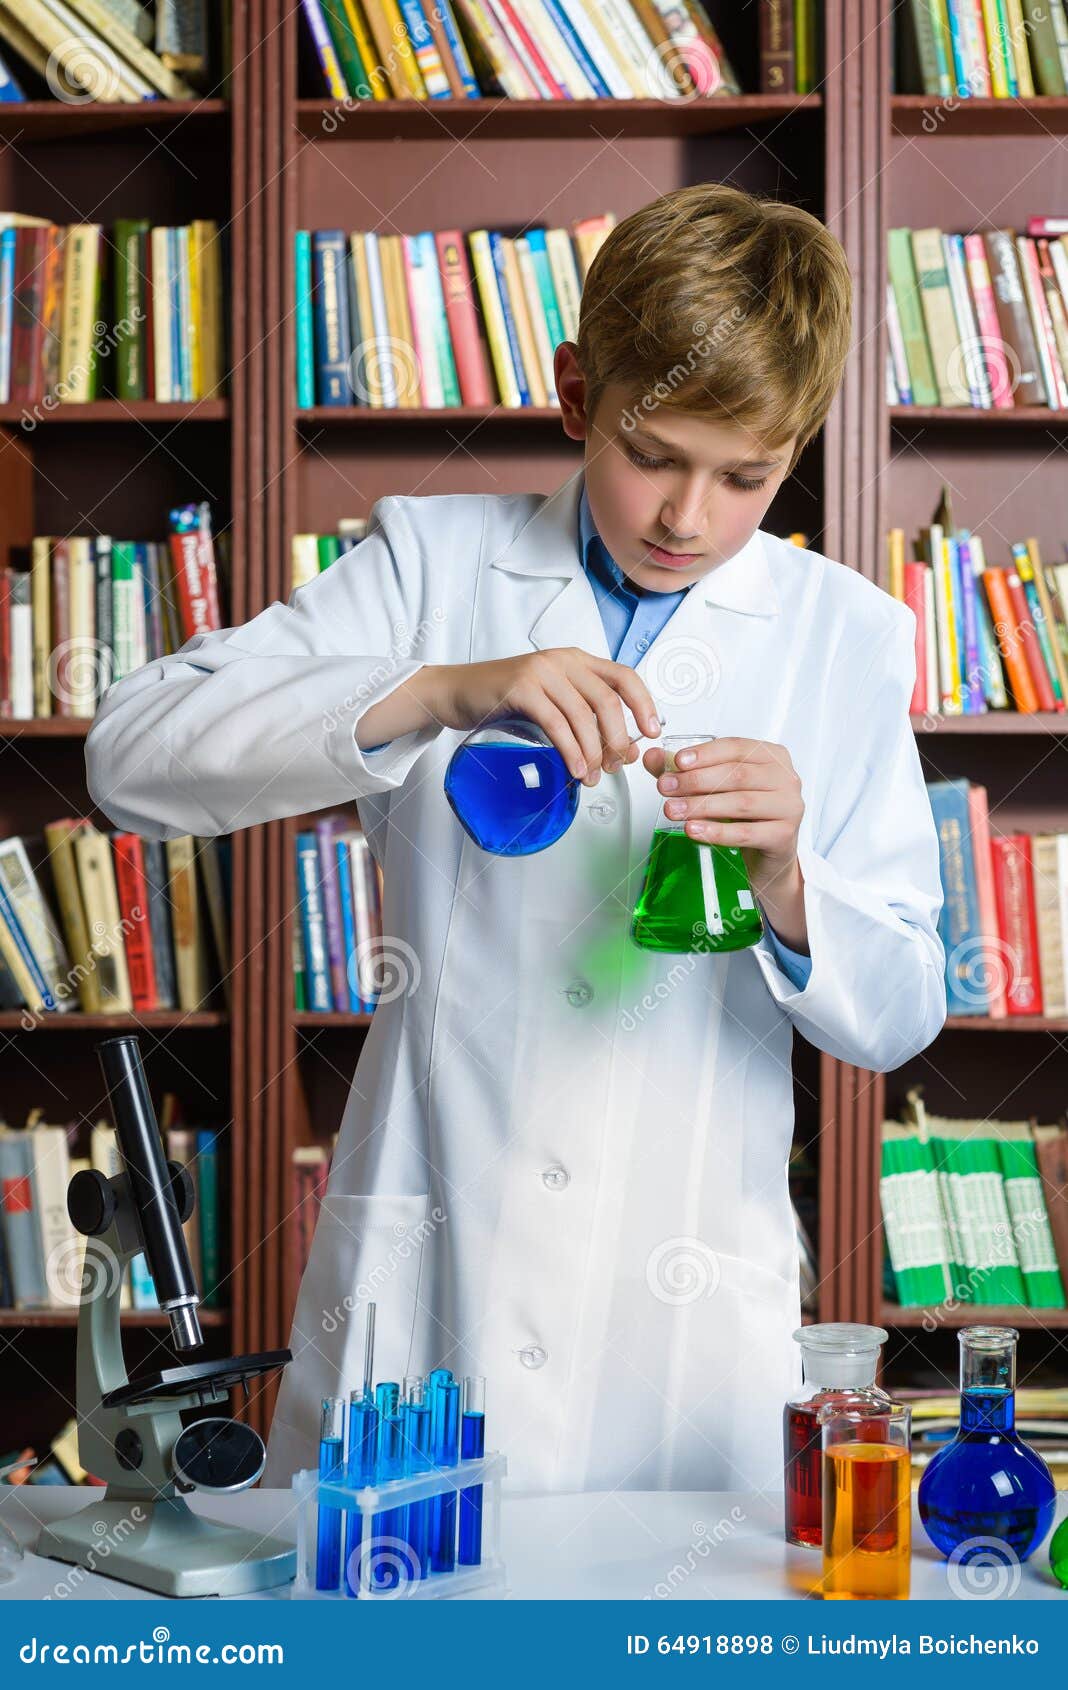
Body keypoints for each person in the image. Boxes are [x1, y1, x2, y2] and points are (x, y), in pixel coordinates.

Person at [85, 182, 946, 1498]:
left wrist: (790, 879)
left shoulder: (847, 636)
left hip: (686, 1310)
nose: (688, 518)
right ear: (571, 393)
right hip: (438, 1271)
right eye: (651, 451)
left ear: (800, 450)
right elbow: (131, 755)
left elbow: (897, 1013)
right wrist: (439, 688)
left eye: (747, 477)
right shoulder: (438, 562)